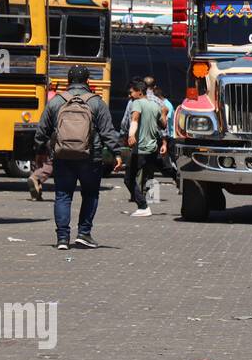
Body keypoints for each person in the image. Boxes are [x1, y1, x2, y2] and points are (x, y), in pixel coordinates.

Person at [33, 65, 124, 250]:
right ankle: (84, 233)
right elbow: (108, 131)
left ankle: (62, 238)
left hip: (62, 156)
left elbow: (41, 130)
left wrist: (39, 150)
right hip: (91, 156)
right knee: (90, 194)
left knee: (63, 195)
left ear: (68, 81)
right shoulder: (96, 102)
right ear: (88, 81)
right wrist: (117, 153)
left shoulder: (56, 102)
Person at [125, 79, 166, 217]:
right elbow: (164, 125)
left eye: (131, 92)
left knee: (129, 179)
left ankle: (143, 206)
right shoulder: (155, 105)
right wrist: (164, 113)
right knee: (148, 175)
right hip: (152, 149)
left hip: (140, 149)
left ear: (139, 92)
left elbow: (134, 119)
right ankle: (176, 177)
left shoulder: (136, 103)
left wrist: (131, 135)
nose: (129, 95)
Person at [27, 81, 58, 201]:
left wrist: (39, 143)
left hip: (41, 136)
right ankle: (36, 178)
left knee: (39, 162)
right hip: (52, 137)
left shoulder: (43, 96)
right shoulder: (56, 99)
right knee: (50, 164)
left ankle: (37, 190)